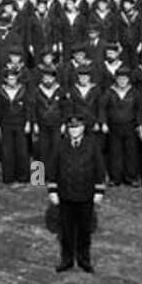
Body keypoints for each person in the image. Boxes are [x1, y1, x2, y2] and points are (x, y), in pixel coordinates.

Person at [47, 114, 106, 273]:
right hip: (66, 194)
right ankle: (66, 261)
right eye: (71, 128)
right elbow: (52, 169)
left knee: (84, 231)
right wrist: (52, 190)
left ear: (83, 128)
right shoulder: (60, 145)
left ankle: (84, 260)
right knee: (66, 231)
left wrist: (99, 191)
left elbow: (99, 169)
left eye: (77, 127)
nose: (74, 130)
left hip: (85, 194)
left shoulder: (92, 145)